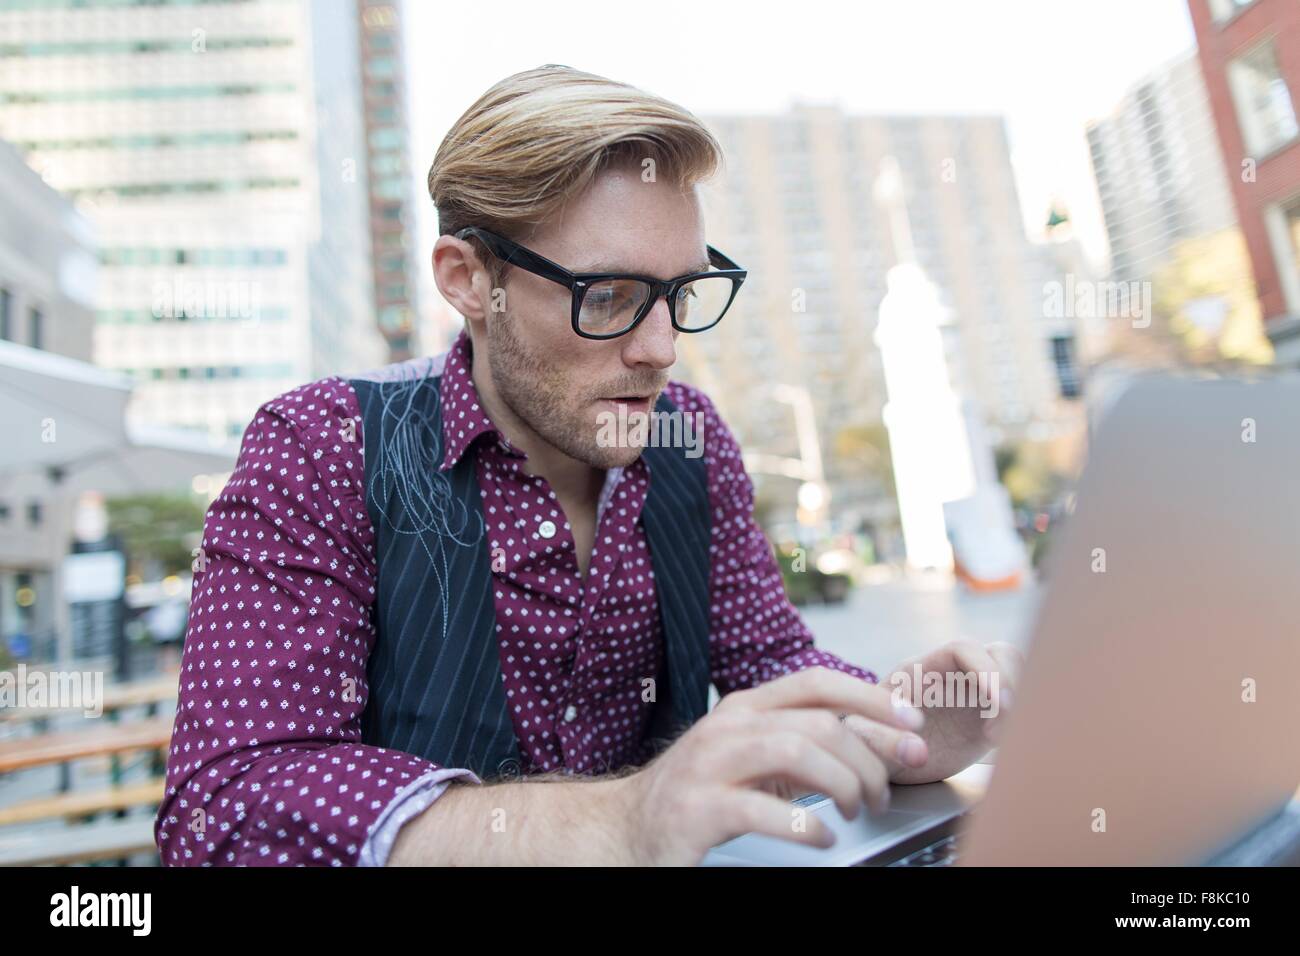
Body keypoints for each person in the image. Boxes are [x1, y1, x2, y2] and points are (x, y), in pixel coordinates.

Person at [155, 65, 1021, 867]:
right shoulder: (323, 446)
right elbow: (224, 806)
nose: (662, 349)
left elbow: (774, 669)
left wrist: (904, 728)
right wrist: (624, 817)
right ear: (467, 280)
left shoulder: (691, 438)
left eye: (681, 294)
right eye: (606, 296)